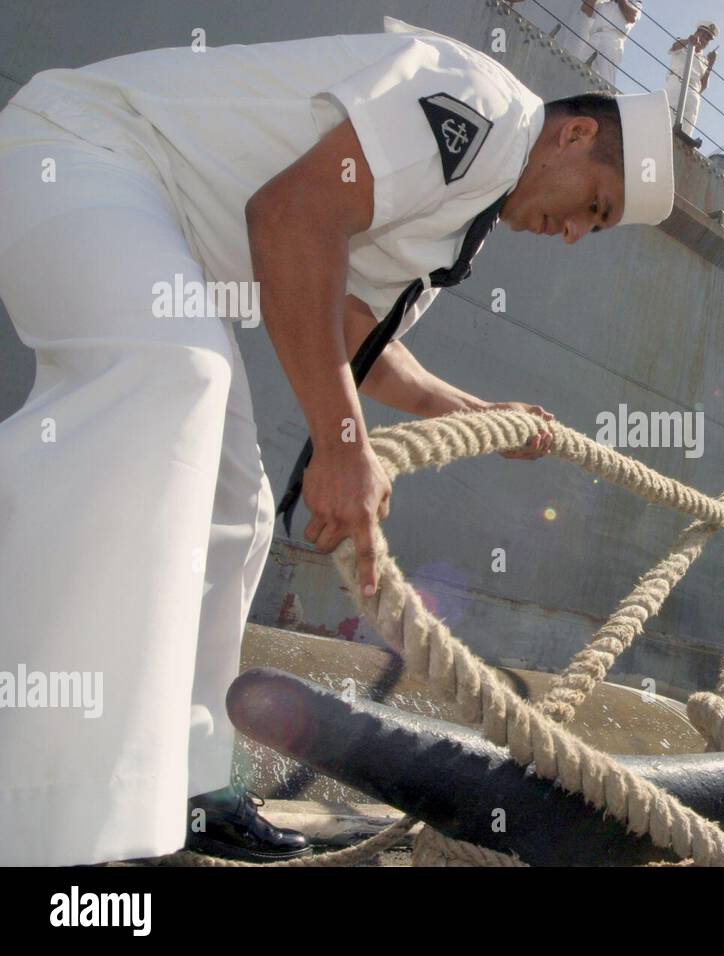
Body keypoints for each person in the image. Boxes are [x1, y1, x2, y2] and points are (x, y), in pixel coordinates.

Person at [0, 16, 676, 866]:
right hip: (83, 154)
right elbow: (291, 218)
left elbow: (353, 324)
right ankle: (33, 801)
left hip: (155, 232)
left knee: (231, 507)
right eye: (594, 206)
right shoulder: (483, 109)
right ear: (577, 133)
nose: (574, 232)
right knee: (170, 378)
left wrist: (470, 411)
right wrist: (341, 441)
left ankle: (185, 783)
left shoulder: (458, 218)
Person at [665, 21, 718, 137]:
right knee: (666, 121)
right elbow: (674, 47)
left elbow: (702, 87)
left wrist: (710, 66)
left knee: (685, 130)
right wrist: (689, 42)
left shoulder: (704, 60)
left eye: (708, 39)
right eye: (703, 35)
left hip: (693, 94)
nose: (704, 40)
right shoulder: (683, 44)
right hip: (676, 86)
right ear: (697, 32)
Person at [584, 0, 643, 87]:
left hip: (612, 39)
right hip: (594, 36)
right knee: (581, 66)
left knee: (606, 79)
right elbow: (586, 9)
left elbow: (631, 17)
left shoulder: (634, 3)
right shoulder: (604, 3)